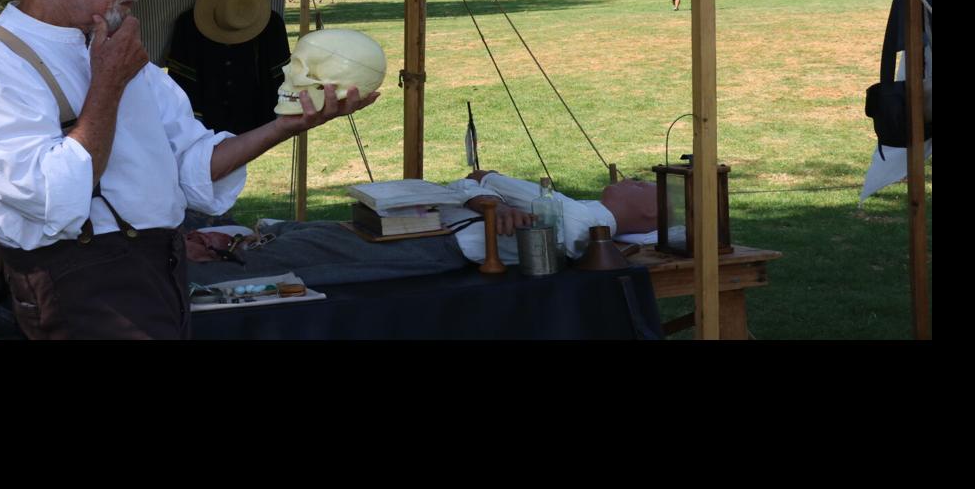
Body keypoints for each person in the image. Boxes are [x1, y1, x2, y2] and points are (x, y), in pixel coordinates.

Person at [0, 0, 378, 339]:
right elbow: (53, 195)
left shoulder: (116, 48)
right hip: (79, 282)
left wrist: (287, 125)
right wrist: (107, 82)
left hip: (159, 265)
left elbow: (193, 164)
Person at [184, 171, 660, 288]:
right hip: (427, 229)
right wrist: (481, 196)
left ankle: (174, 275)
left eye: (642, 185)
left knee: (299, 256)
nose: (632, 179)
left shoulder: (584, 220)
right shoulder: (573, 209)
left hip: (433, 241)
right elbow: (473, 181)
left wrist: (484, 192)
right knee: (304, 243)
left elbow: (482, 177)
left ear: (649, 218)